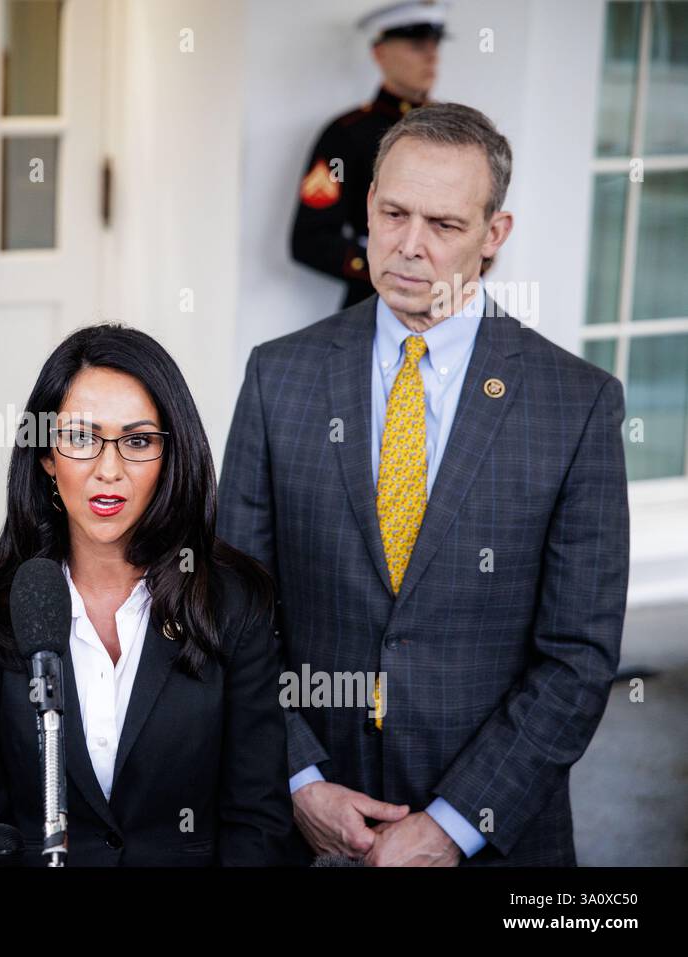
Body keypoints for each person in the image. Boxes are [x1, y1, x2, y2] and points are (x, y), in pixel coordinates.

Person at [221, 102, 629, 866]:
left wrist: (453, 823)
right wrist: (300, 778)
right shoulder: (278, 377)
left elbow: (577, 656)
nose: (409, 246)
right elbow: (232, 611)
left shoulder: (577, 404)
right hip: (299, 833)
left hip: (498, 839)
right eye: (393, 212)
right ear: (368, 204)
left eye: (443, 225)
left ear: (494, 235)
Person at [0, 325, 292, 866]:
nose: (109, 470)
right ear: (46, 456)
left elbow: (257, 821)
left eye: (138, 441)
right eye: (81, 437)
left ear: (171, 456)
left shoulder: (234, 602)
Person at [290, 0, 446, 307]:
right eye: (416, 45)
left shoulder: (456, 132)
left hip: (444, 306)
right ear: (381, 53)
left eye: (435, 44)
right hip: (371, 304)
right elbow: (311, 239)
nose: (431, 55)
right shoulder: (347, 134)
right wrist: (389, 266)